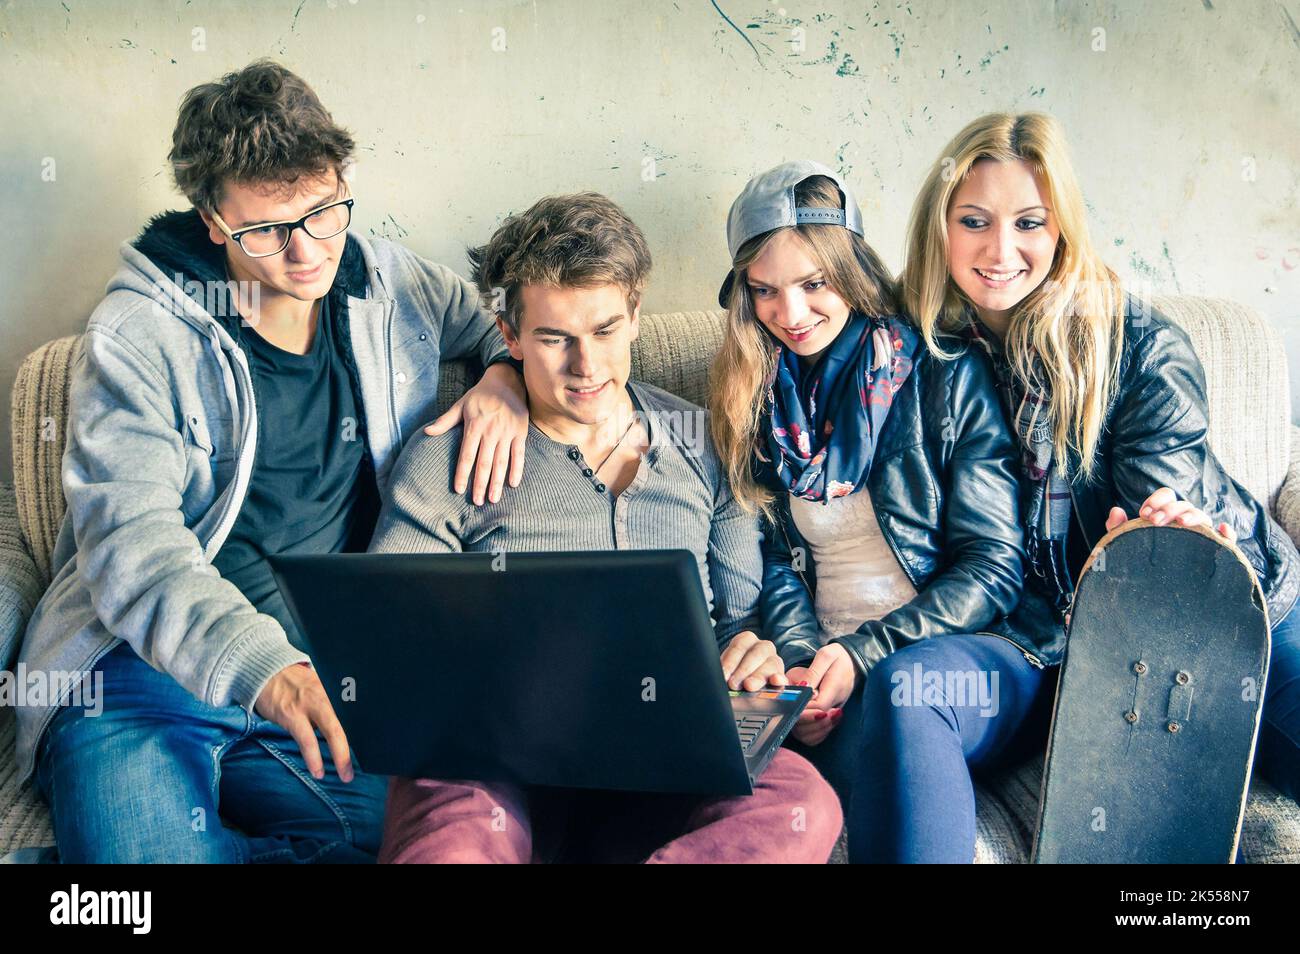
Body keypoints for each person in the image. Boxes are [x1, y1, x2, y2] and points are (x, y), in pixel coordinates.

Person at [18, 60, 529, 863]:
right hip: (135, 680)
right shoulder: (139, 334)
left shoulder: (390, 284)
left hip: (316, 692)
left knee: (420, 844)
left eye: (323, 213)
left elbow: (496, 322)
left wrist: (503, 378)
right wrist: (266, 666)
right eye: (266, 230)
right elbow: (131, 550)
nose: (304, 253)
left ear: (342, 180)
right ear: (214, 220)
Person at [370, 191, 842, 863]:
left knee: (802, 802)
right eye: (555, 338)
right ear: (509, 336)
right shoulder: (450, 454)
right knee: (452, 842)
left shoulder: (703, 444)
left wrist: (757, 660)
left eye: (605, 331)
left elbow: (741, 623)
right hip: (495, 764)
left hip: (668, 753)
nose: (586, 368)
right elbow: (388, 635)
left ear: (636, 316)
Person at [900, 112, 1300, 805]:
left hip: (1224, 607)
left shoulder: (1141, 350)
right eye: (974, 221)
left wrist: (1164, 533)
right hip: (1039, 637)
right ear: (939, 226)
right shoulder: (915, 350)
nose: (1000, 248)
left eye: (1029, 222)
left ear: (1062, 230)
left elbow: (1162, 514)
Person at [709, 160, 1055, 863]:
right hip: (836, 668)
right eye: (766, 291)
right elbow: (777, 562)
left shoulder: (942, 371)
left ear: (853, 272)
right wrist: (806, 667)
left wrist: (863, 654)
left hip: (978, 661)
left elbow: (993, 569)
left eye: (814, 284)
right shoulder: (757, 398)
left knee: (907, 685)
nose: (792, 313)